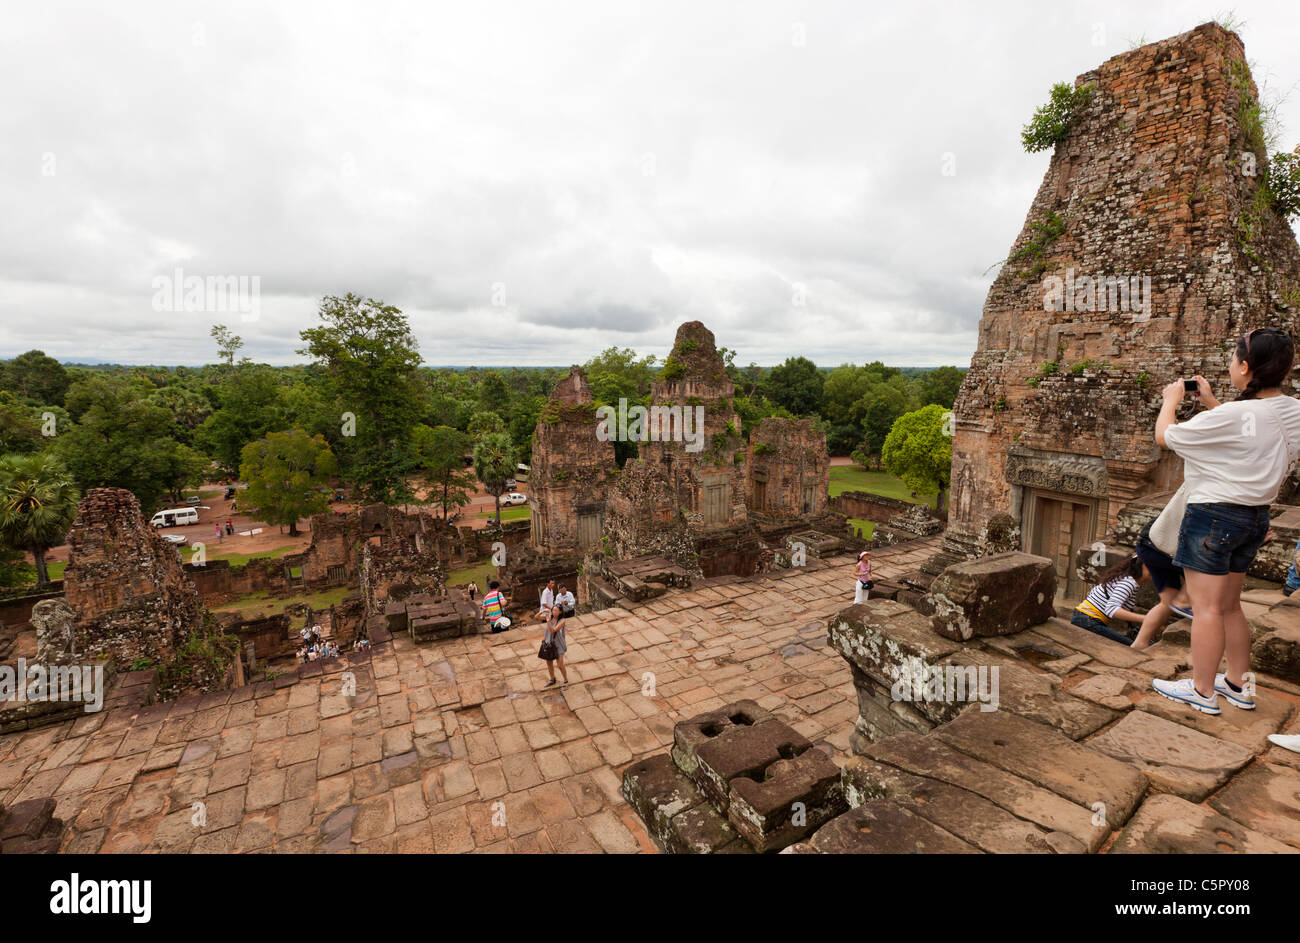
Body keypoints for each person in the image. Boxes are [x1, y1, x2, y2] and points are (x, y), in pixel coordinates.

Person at [1153, 328, 1300, 715]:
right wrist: (1214, 403)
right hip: (1254, 519)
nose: (1231, 367)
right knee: (1232, 605)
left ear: (1247, 367)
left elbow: (1165, 437)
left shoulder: (1238, 414)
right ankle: (1238, 683)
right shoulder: (1293, 410)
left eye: (1234, 361)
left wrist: (1171, 400)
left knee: (1207, 609)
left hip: (1214, 518)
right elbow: (1254, 429)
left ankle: (1202, 691)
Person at [1128, 484, 1195, 651]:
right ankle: (1184, 600)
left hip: (1148, 544)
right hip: (1170, 548)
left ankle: (1139, 644)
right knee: (1207, 569)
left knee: (1167, 602)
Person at [1071, 555, 1151, 644]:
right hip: (1088, 621)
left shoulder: (1127, 580)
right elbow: (1112, 610)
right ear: (1143, 565)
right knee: (1133, 647)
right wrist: (1146, 619)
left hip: (1084, 619)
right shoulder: (1128, 582)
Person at [540, 603, 569, 687]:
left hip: (558, 644)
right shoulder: (550, 616)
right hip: (549, 643)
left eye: (556, 610)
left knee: (560, 665)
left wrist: (548, 621)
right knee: (549, 663)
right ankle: (552, 679)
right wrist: (543, 611)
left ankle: (566, 681)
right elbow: (536, 617)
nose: (553, 611)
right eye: (553, 610)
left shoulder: (562, 620)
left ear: (560, 612)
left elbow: (553, 630)